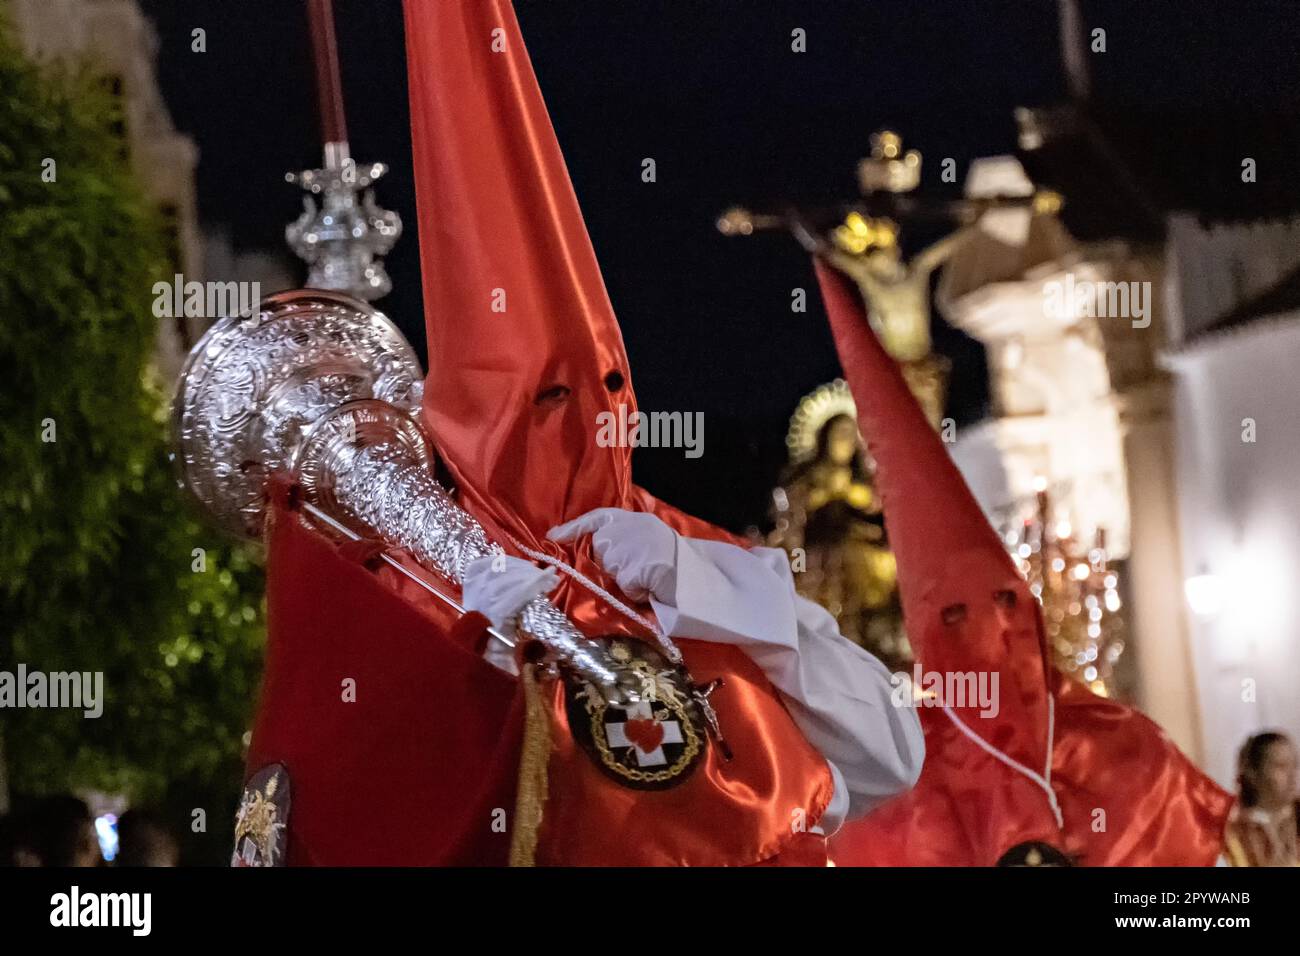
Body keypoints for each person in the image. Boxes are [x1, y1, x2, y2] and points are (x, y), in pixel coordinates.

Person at [812, 259, 1233, 865]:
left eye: (1005, 601)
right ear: (926, 637)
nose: (991, 629)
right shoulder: (899, 779)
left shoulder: (1120, 750)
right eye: (955, 616)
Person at [1223, 731, 1299, 866]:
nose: (1293, 776)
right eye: (1281, 766)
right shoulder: (1234, 834)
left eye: (1295, 766)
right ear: (1253, 774)